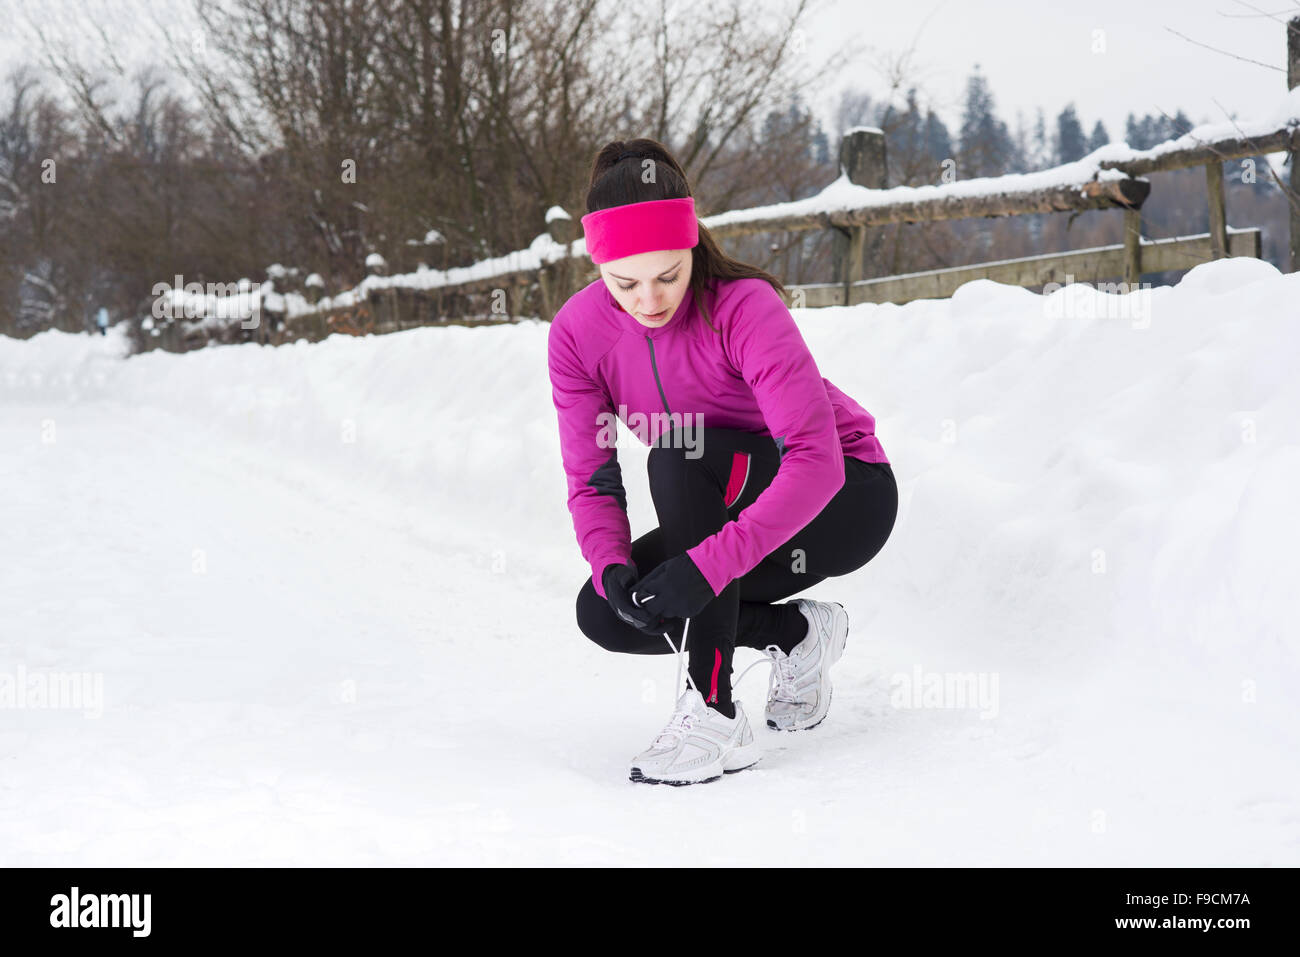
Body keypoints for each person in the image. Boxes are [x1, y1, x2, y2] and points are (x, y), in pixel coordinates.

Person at [548, 137, 897, 786]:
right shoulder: (578, 335)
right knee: (605, 611)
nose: (648, 300)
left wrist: (708, 566)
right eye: (625, 283)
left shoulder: (742, 307)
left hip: (847, 498)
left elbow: (816, 460)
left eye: (668, 275)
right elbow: (592, 477)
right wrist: (611, 564)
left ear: (691, 246)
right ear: (598, 266)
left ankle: (712, 708)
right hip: (730, 506)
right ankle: (796, 633)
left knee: (676, 454)